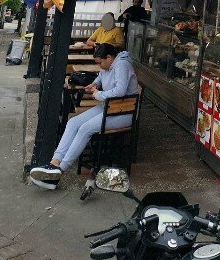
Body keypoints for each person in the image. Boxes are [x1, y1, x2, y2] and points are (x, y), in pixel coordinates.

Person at [29, 43, 138, 189]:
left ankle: (60, 172)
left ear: (110, 57)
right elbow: (100, 77)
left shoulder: (122, 66)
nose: (99, 66)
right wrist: (93, 84)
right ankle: (54, 163)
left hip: (124, 112)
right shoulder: (108, 66)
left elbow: (119, 91)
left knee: (85, 128)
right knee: (73, 122)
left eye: (100, 62)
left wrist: (98, 94)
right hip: (109, 107)